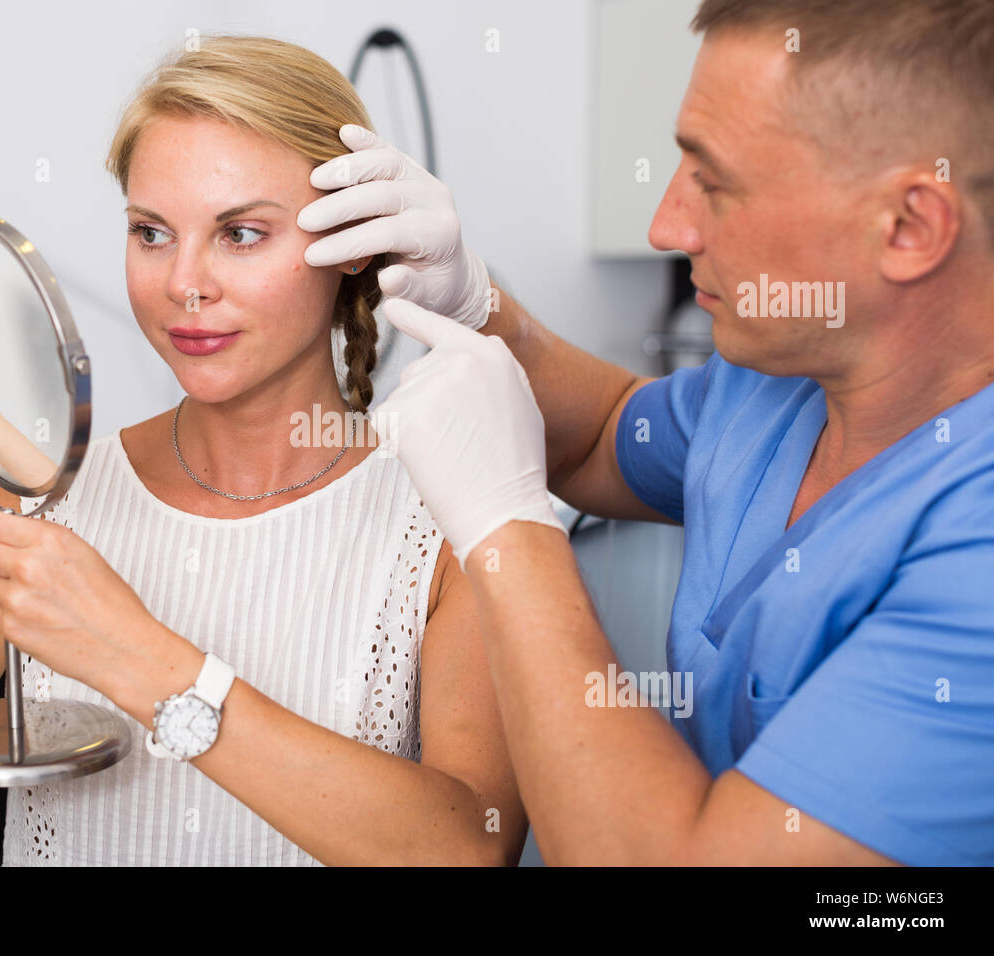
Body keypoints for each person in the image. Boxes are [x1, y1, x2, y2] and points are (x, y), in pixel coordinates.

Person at [0, 35, 528, 866]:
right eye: (152, 233)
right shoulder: (36, 507)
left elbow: (471, 845)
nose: (183, 284)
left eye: (240, 233)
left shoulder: (451, 517)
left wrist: (143, 660)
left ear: (351, 249)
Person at [300, 0, 994, 865]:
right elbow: (599, 440)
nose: (667, 228)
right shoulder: (773, 382)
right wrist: (478, 306)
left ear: (909, 227)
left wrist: (506, 529)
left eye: (715, 183)